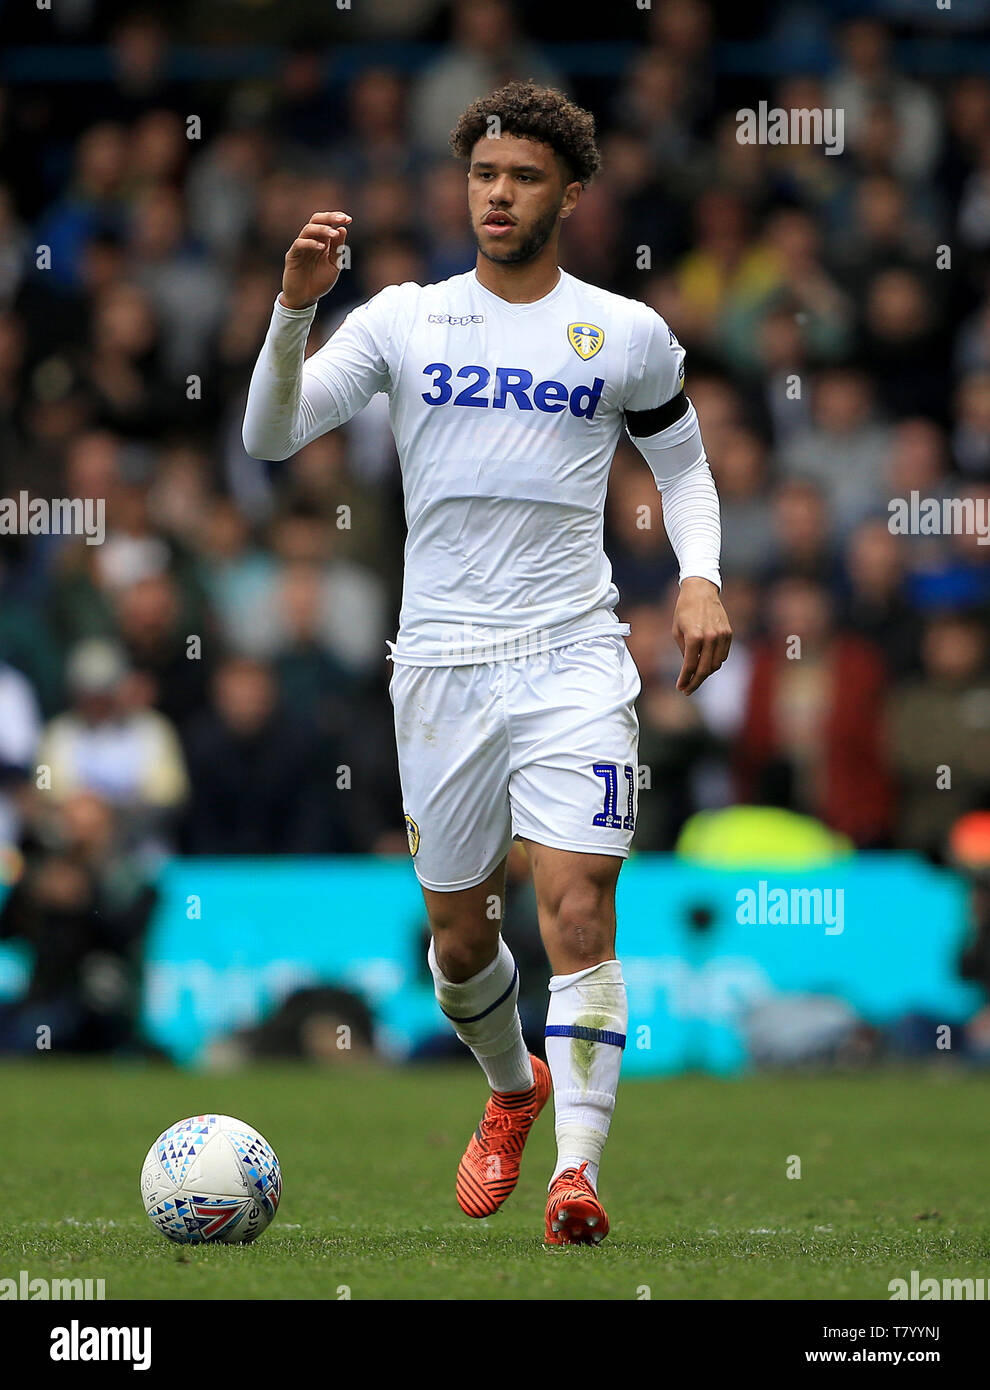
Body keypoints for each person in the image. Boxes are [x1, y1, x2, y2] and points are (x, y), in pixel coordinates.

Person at [243, 81, 730, 1246]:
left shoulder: (627, 331)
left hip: (573, 653)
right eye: (481, 175)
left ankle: (580, 1175)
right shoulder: (407, 319)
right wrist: (290, 313)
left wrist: (701, 575)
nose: (497, 194)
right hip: (445, 665)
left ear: (569, 191)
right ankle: (515, 1088)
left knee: (577, 907)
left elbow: (689, 472)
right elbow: (270, 435)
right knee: (463, 941)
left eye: (520, 177)